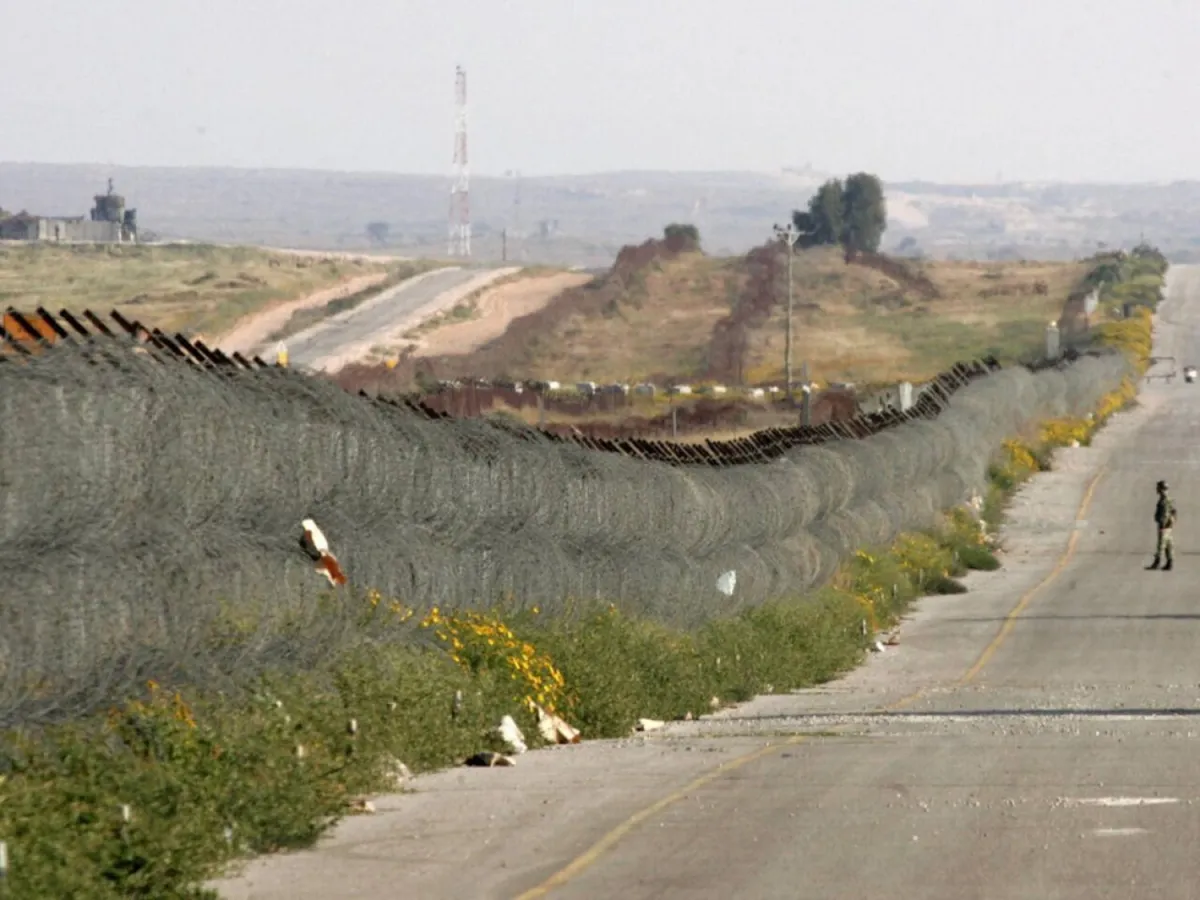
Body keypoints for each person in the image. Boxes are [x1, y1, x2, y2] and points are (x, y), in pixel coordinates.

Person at [1148, 480, 1176, 571]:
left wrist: (1162, 524)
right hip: (1168, 526)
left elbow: (1165, 514)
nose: (1157, 490)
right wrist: (1172, 521)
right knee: (1168, 545)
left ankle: (1157, 562)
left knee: (1161, 545)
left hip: (1164, 526)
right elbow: (1174, 512)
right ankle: (1169, 562)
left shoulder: (1164, 501)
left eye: (1158, 488)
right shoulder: (1169, 499)